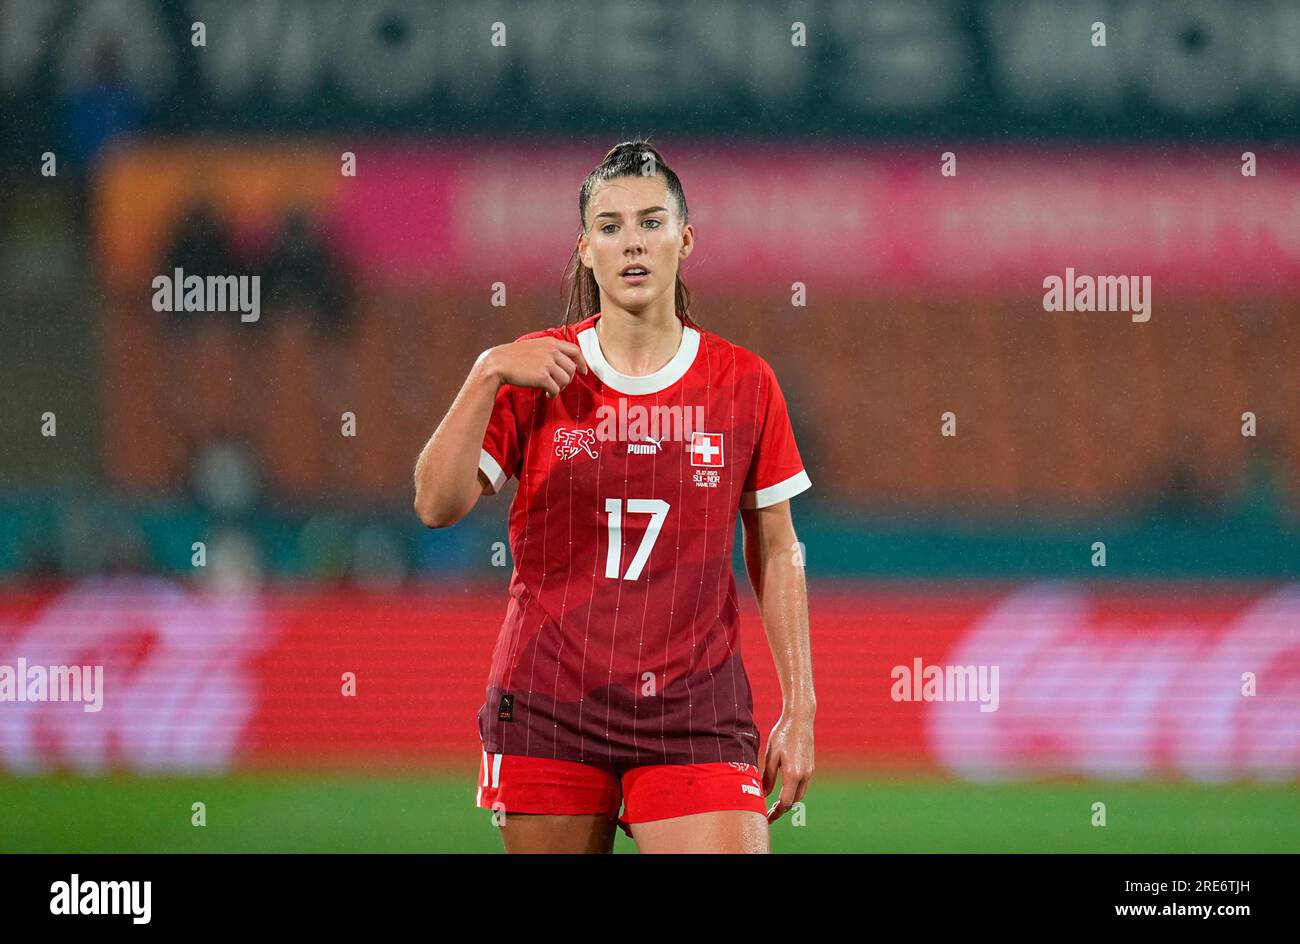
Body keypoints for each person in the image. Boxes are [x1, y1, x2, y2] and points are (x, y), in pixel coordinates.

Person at [413, 140, 815, 853]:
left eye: (652, 222)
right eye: (610, 226)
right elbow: (436, 504)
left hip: (697, 710)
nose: (632, 242)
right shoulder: (536, 371)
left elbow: (778, 548)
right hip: (547, 705)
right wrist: (485, 373)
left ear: (684, 239)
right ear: (586, 249)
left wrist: (801, 705)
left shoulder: (745, 383)